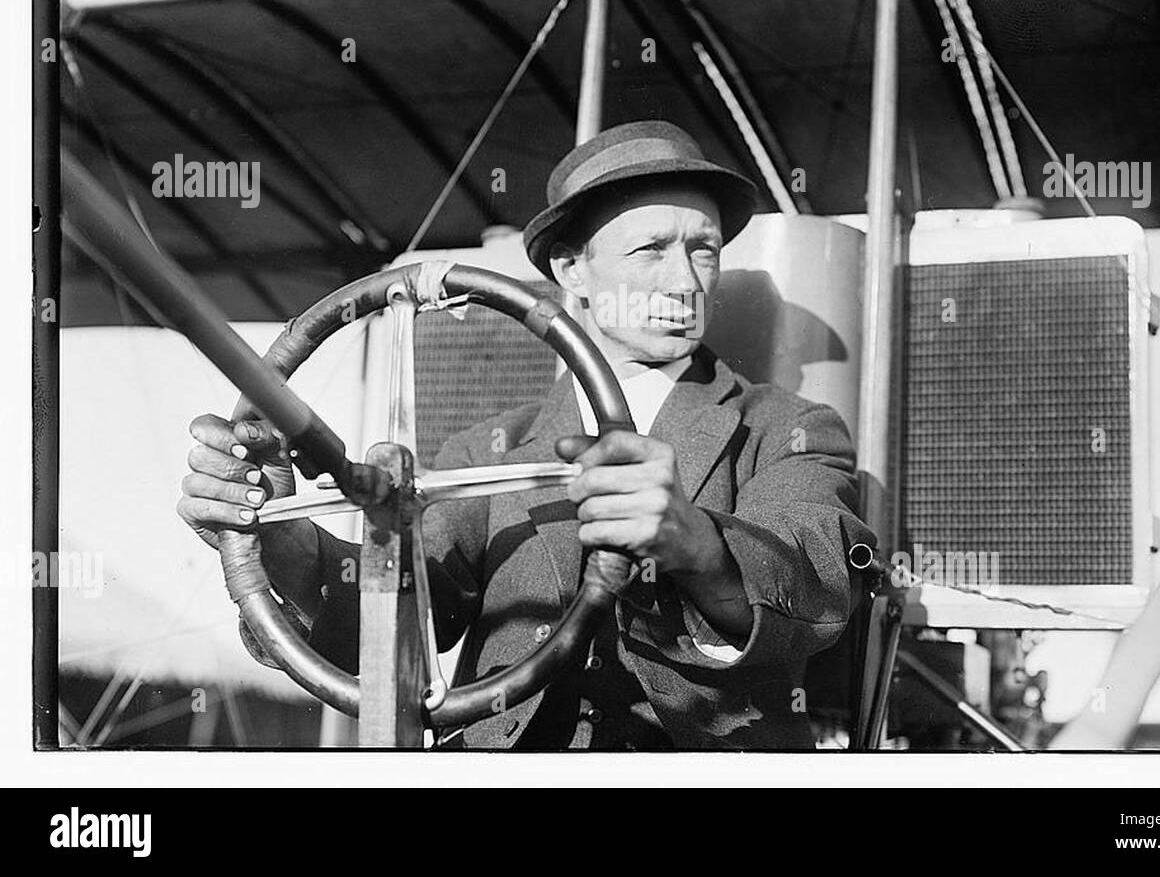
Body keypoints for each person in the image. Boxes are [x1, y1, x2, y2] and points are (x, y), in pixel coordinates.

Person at [178, 120, 871, 749]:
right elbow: (408, 625)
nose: (685, 281)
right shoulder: (486, 453)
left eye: (704, 250)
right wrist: (287, 547)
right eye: (651, 250)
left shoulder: (789, 428)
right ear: (573, 273)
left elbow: (818, 583)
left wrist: (700, 545)